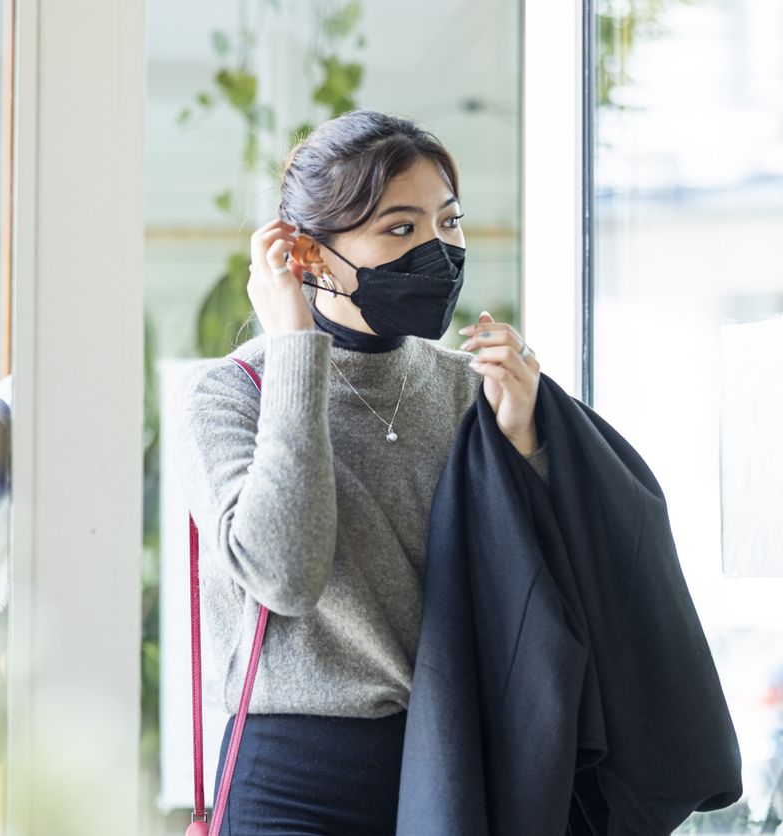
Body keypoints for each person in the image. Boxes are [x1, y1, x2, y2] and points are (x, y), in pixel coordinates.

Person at [167, 108, 548, 835]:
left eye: (449, 222)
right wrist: (294, 349)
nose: (438, 251)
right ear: (308, 256)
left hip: (453, 765)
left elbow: (529, 593)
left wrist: (528, 442)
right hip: (291, 787)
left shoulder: (472, 388)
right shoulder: (226, 394)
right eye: (400, 228)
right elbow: (284, 573)